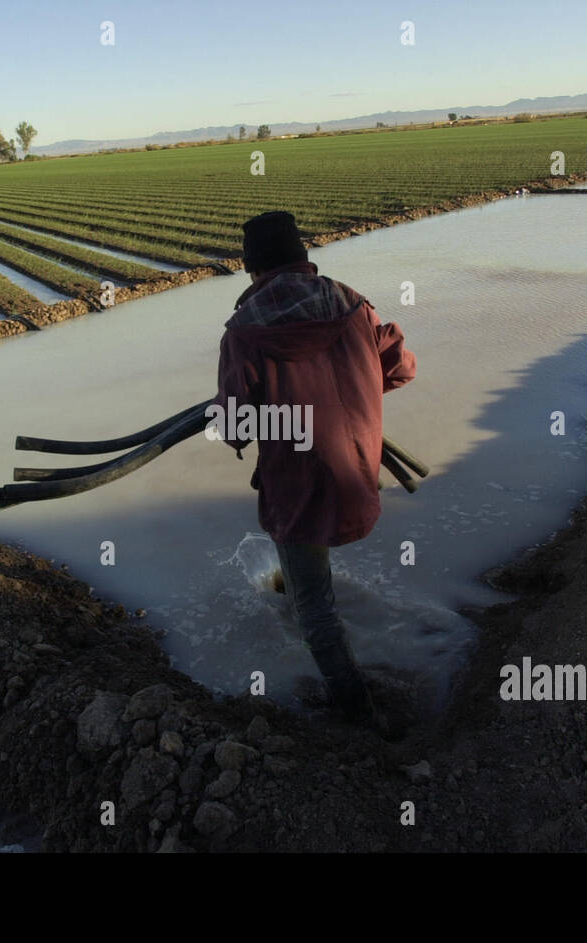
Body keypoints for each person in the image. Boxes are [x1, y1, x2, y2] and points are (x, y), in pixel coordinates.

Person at [211, 210, 416, 737]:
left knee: (315, 609)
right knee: (307, 584)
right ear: (304, 258)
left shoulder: (244, 331)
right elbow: (400, 368)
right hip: (358, 477)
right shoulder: (352, 304)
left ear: (251, 269)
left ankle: (357, 712)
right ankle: (295, 602)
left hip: (296, 491)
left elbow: (234, 427)